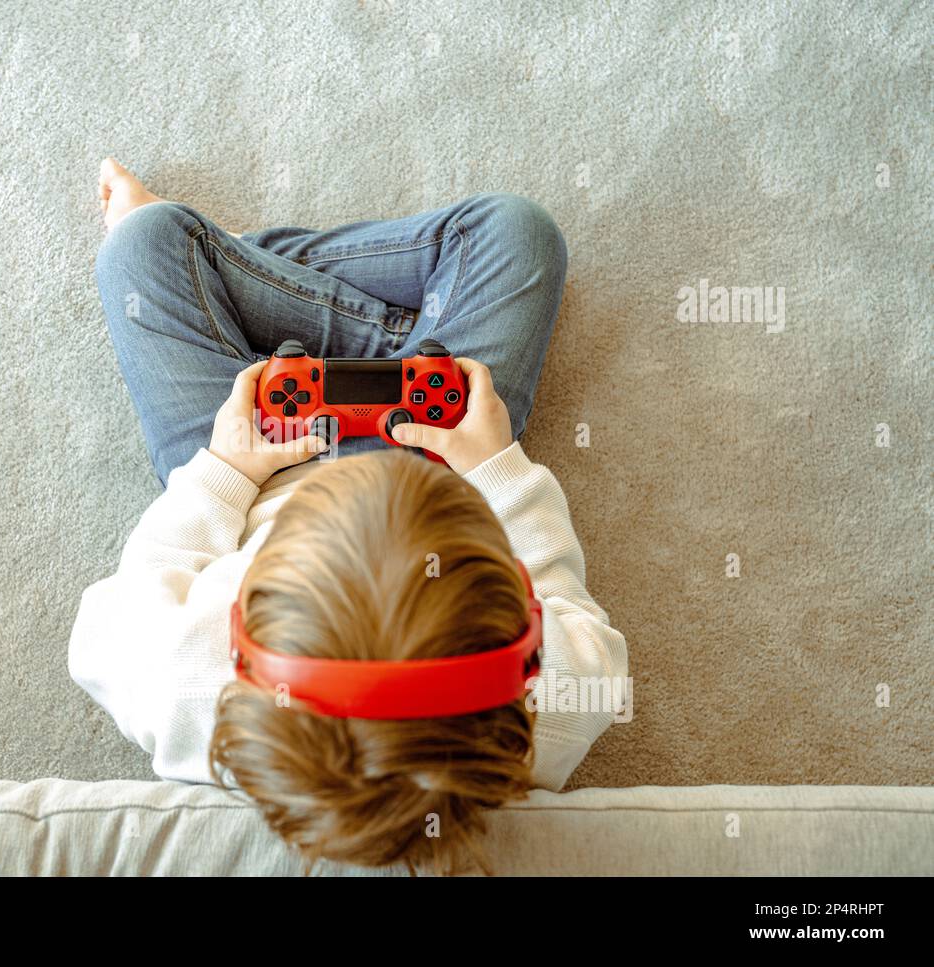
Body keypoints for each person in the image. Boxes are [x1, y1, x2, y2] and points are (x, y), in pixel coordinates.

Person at [68, 159, 628, 873]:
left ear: (238, 633)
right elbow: (574, 613)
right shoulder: (555, 702)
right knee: (519, 233)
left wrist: (223, 476)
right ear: (519, 640)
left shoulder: (179, 680)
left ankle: (256, 284)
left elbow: (112, 613)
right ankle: (338, 315)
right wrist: (493, 470)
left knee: (145, 242)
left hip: (260, 457)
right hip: (443, 444)